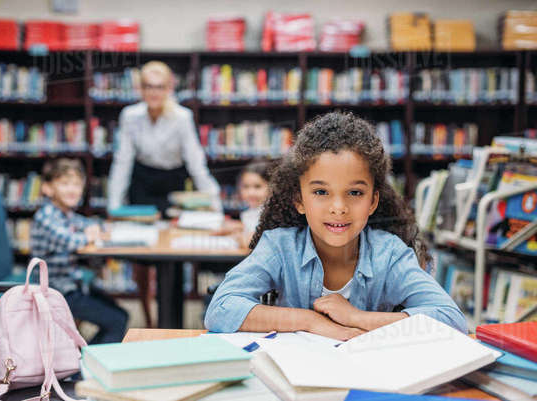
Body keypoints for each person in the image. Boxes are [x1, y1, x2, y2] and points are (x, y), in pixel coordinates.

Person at [204, 112, 467, 340]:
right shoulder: (279, 247)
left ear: (373, 201)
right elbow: (221, 309)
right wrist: (310, 321)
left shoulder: (390, 255)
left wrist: (358, 317)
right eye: (321, 192)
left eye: (354, 193)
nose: (338, 207)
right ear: (299, 200)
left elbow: (450, 319)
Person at [30, 158, 128, 344]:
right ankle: (84, 369)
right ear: (48, 188)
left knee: (120, 314)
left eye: (77, 184)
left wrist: (96, 229)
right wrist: (90, 235)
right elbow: (70, 241)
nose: (72, 189)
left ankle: (86, 361)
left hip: (72, 284)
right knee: (116, 320)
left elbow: (91, 224)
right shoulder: (46, 216)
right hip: (56, 291)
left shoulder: (65, 214)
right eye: (65, 184)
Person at [107, 61, 221, 215]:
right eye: (148, 86)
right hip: (142, 180)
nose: (154, 92)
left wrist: (215, 205)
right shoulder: (129, 116)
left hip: (173, 181)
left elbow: (196, 163)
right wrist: (113, 206)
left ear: (169, 88)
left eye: (160, 87)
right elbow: (122, 162)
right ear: (140, 88)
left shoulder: (182, 117)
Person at [216, 159, 272, 247]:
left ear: (272, 187)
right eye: (245, 186)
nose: (250, 193)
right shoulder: (251, 212)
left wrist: (238, 234)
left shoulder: (272, 214)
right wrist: (239, 227)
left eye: (257, 187)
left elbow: (249, 243)